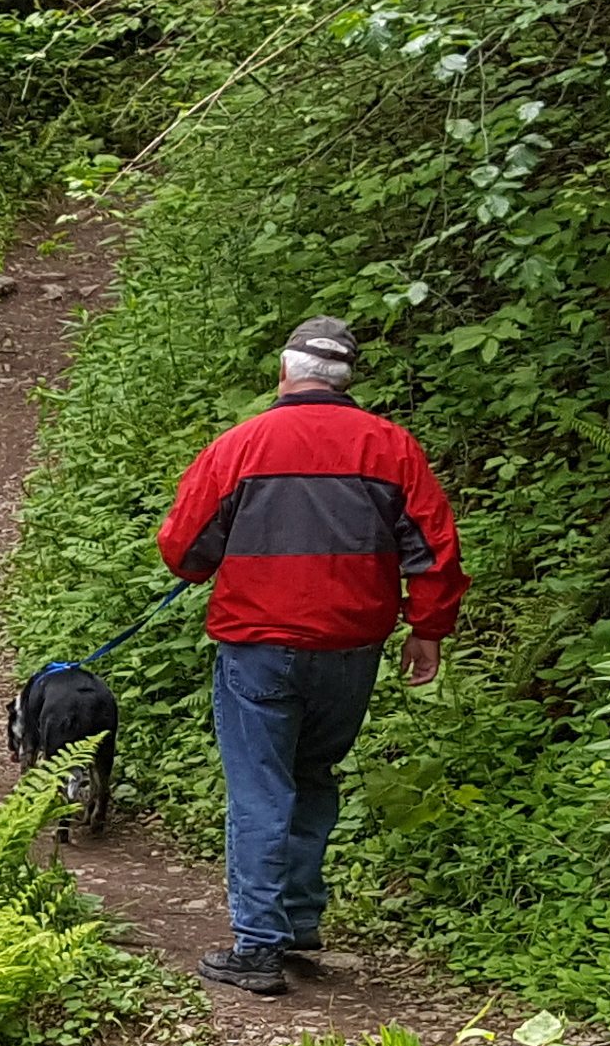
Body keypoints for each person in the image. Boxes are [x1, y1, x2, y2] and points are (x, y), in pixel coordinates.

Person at [155, 315, 463, 996]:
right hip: (351, 648)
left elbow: (183, 549)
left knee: (262, 788)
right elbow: (435, 548)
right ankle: (296, 922)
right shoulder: (392, 448)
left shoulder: (242, 445)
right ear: (348, 379)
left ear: (285, 375)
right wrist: (428, 628)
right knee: (314, 774)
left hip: (259, 646)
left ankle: (259, 947)